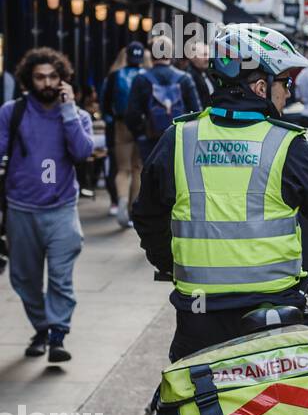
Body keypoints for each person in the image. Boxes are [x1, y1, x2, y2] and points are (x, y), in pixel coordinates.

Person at [131, 24, 308, 362]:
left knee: (187, 402)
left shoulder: (179, 138)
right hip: (276, 313)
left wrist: (169, 263)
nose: (288, 94)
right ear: (260, 87)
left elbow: (147, 215)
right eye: (284, 84)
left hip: (199, 314)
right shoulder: (286, 143)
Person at [0, 48, 95, 362]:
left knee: (60, 276)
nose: (47, 83)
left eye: (53, 76)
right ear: (29, 80)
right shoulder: (11, 112)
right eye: (40, 77)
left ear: (63, 79)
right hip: (20, 208)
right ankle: (41, 327)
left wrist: (69, 112)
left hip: (62, 208)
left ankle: (57, 334)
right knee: (23, 278)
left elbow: (82, 153)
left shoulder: (77, 115)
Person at [125, 35, 199, 164]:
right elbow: (196, 112)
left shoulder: (141, 79)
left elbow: (132, 113)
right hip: (179, 138)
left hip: (150, 140)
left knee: (151, 179)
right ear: (171, 54)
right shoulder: (185, 79)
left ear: (151, 54)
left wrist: (140, 134)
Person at [100, 43, 149, 228]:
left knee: (123, 169)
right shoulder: (146, 76)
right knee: (137, 168)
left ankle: (120, 198)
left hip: (121, 124)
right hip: (142, 124)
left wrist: (110, 120)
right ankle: (131, 208)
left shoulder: (114, 76)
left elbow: (105, 102)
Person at [187, 41, 216, 109]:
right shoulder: (189, 77)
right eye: (204, 55)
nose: (207, 58)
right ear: (193, 57)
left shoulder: (209, 72)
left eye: (208, 55)